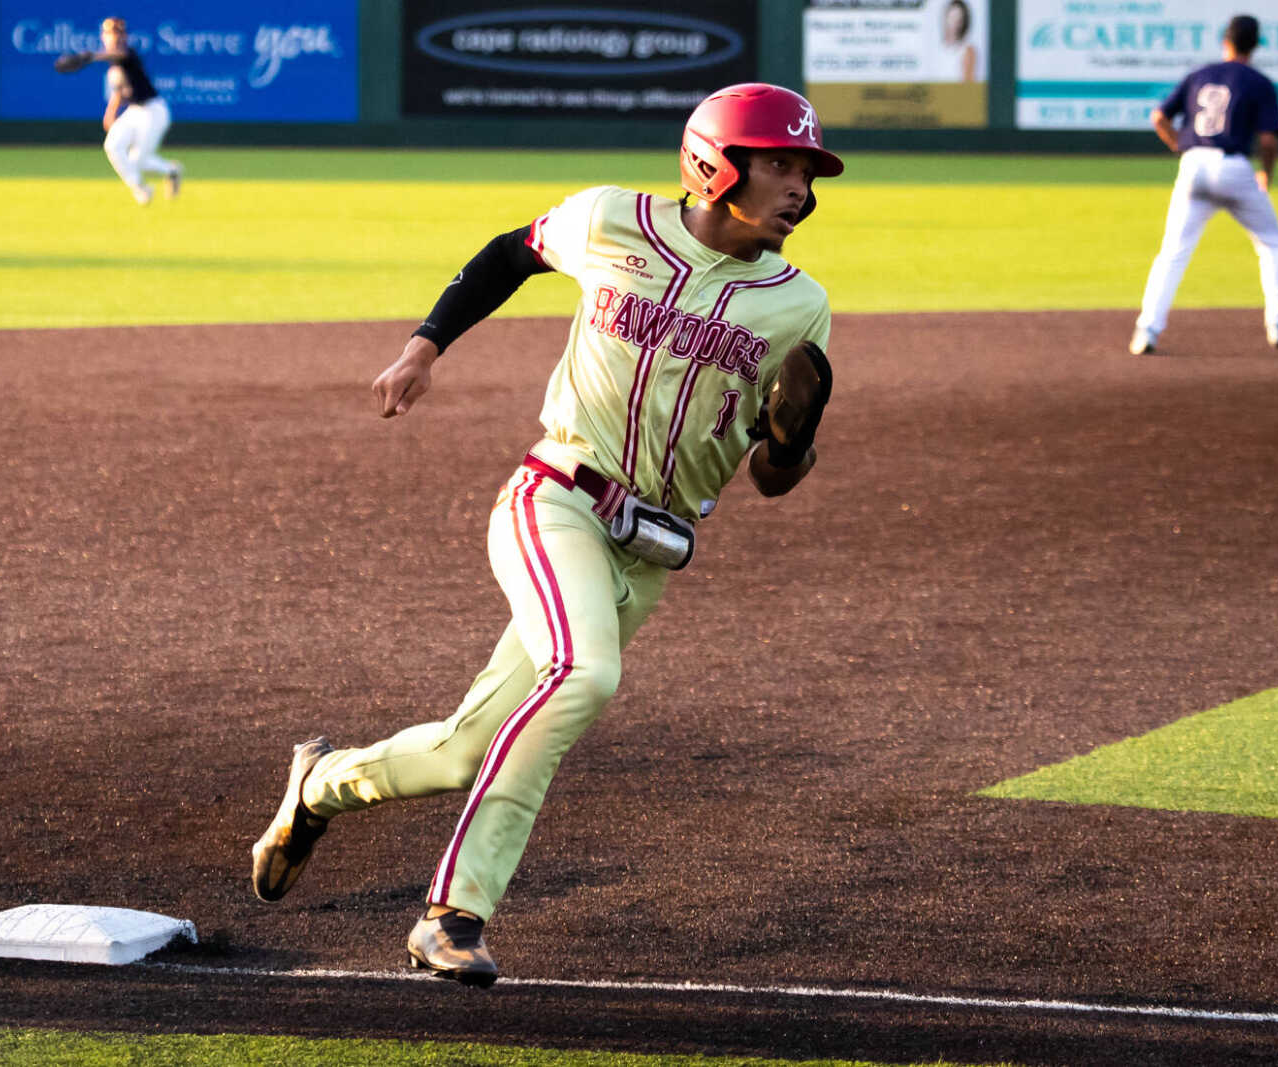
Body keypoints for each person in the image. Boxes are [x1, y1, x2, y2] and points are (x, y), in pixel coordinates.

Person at [249, 82, 843, 987]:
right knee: (586, 673)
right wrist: (424, 346)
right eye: (782, 164)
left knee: (462, 750)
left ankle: (319, 784)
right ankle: (453, 913)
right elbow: (509, 253)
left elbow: (770, 476)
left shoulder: (799, 305)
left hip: (652, 551)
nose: (801, 187)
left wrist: (794, 443)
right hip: (556, 496)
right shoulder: (615, 220)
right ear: (715, 163)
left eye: (809, 170)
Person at [1128, 14, 1278, 356]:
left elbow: (1158, 117)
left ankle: (1147, 330)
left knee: (1173, 252)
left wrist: (1177, 145)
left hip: (1193, 165)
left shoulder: (1199, 74)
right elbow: (1269, 142)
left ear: (1224, 41)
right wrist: (1266, 176)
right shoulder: (1259, 82)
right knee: (1271, 243)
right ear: (1255, 46)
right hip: (1233, 167)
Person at [54, 17, 182, 206]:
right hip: (135, 111)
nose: (115, 36)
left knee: (139, 160)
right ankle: (142, 189)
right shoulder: (113, 65)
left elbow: (117, 55)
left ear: (125, 36)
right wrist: (110, 112)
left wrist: (89, 56)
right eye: (110, 33)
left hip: (154, 110)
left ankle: (172, 170)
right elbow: (119, 91)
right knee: (113, 146)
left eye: (119, 33)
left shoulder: (126, 54)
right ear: (104, 36)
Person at [942, 0, 978, 83]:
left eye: (959, 19)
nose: (954, 23)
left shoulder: (967, 50)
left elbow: (968, 84)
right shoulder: (939, 48)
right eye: (952, 17)